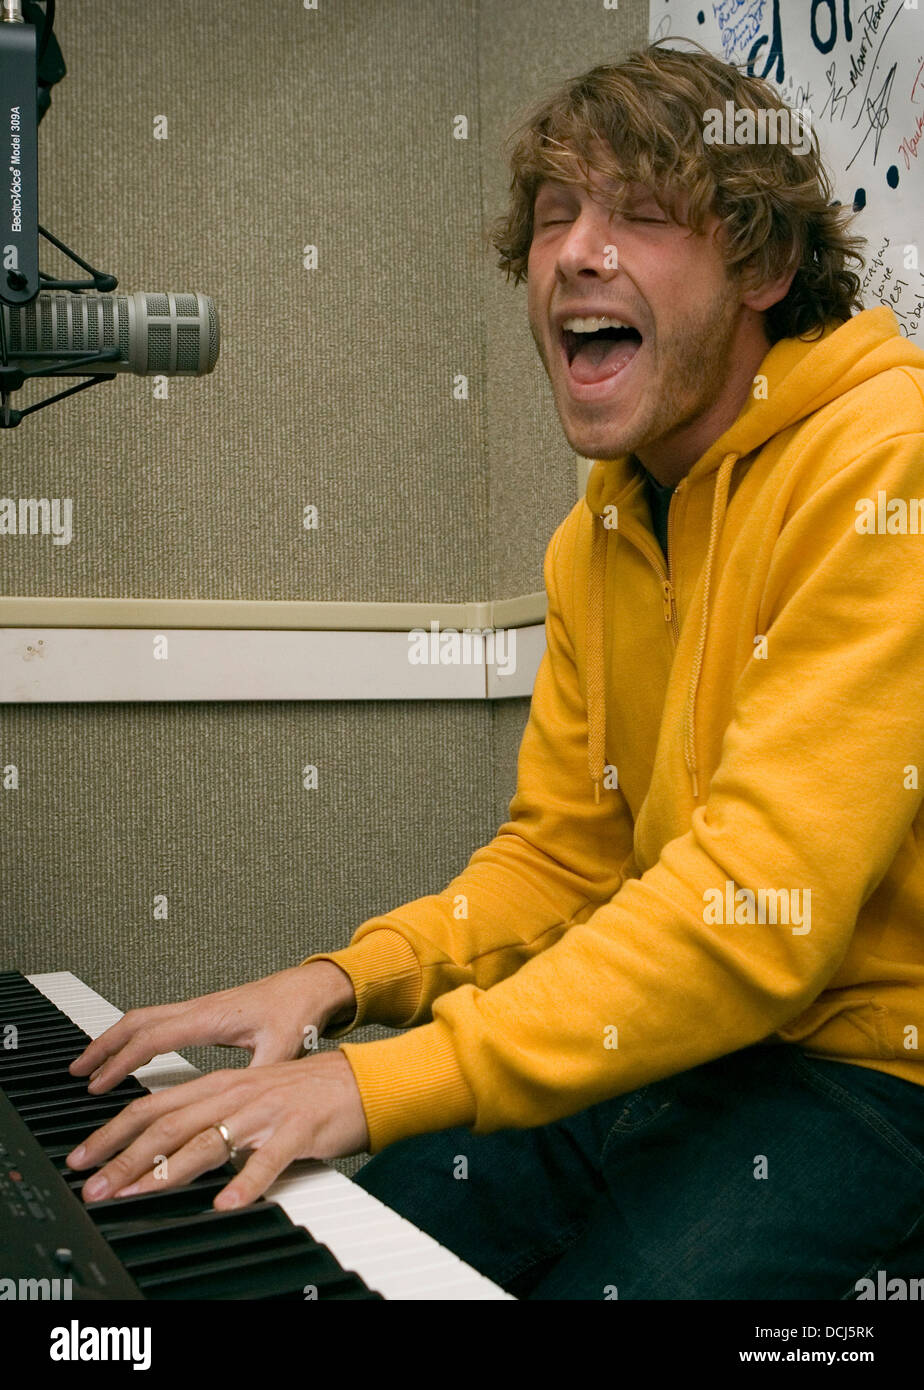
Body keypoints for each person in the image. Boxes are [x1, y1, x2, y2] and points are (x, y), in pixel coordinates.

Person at [66, 41, 924, 1300]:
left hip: (875, 1073)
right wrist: (342, 984)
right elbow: (564, 861)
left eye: (641, 212)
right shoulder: (599, 535)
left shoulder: (886, 462)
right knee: (358, 1247)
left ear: (765, 266)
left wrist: (381, 1077)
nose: (577, 250)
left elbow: (760, 908)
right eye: (554, 216)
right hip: (686, 1041)